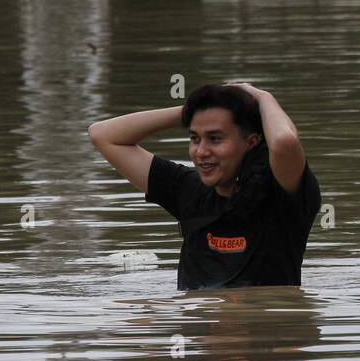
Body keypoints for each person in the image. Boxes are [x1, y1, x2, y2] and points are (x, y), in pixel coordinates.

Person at [88, 82, 320, 290]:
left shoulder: (282, 193)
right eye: (195, 138)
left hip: (266, 332)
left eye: (215, 138)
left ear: (251, 143)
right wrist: (196, 111)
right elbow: (103, 135)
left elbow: (284, 141)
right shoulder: (186, 188)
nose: (201, 152)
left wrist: (262, 98)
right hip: (199, 333)